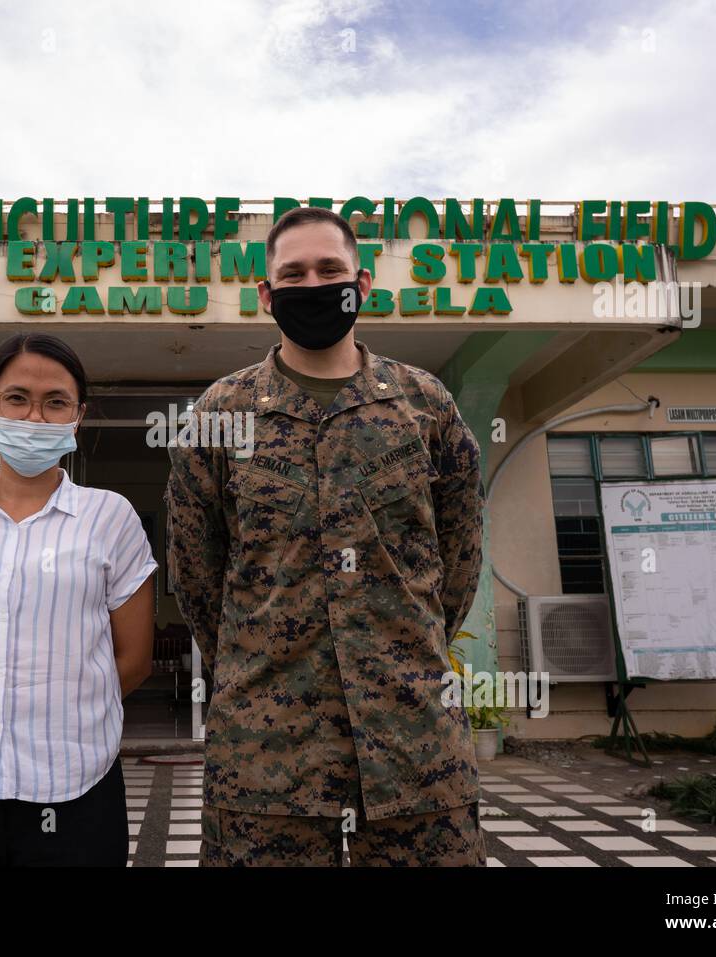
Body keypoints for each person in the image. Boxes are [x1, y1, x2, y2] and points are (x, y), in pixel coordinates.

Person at [165, 206, 487, 866]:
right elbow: (197, 575)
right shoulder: (221, 414)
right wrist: (256, 663)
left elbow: (457, 559)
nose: (313, 284)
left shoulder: (425, 405)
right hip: (265, 757)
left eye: (329, 269)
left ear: (362, 283)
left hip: (414, 747)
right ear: (266, 293)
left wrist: (400, 643)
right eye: (294, 273)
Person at [0, 332, 158, 866]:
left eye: (55, 402)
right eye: (16, 398)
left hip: (74, 788)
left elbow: (132, 661)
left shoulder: (111, 517)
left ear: (78, 416)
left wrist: (62, 719)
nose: (35, 417)